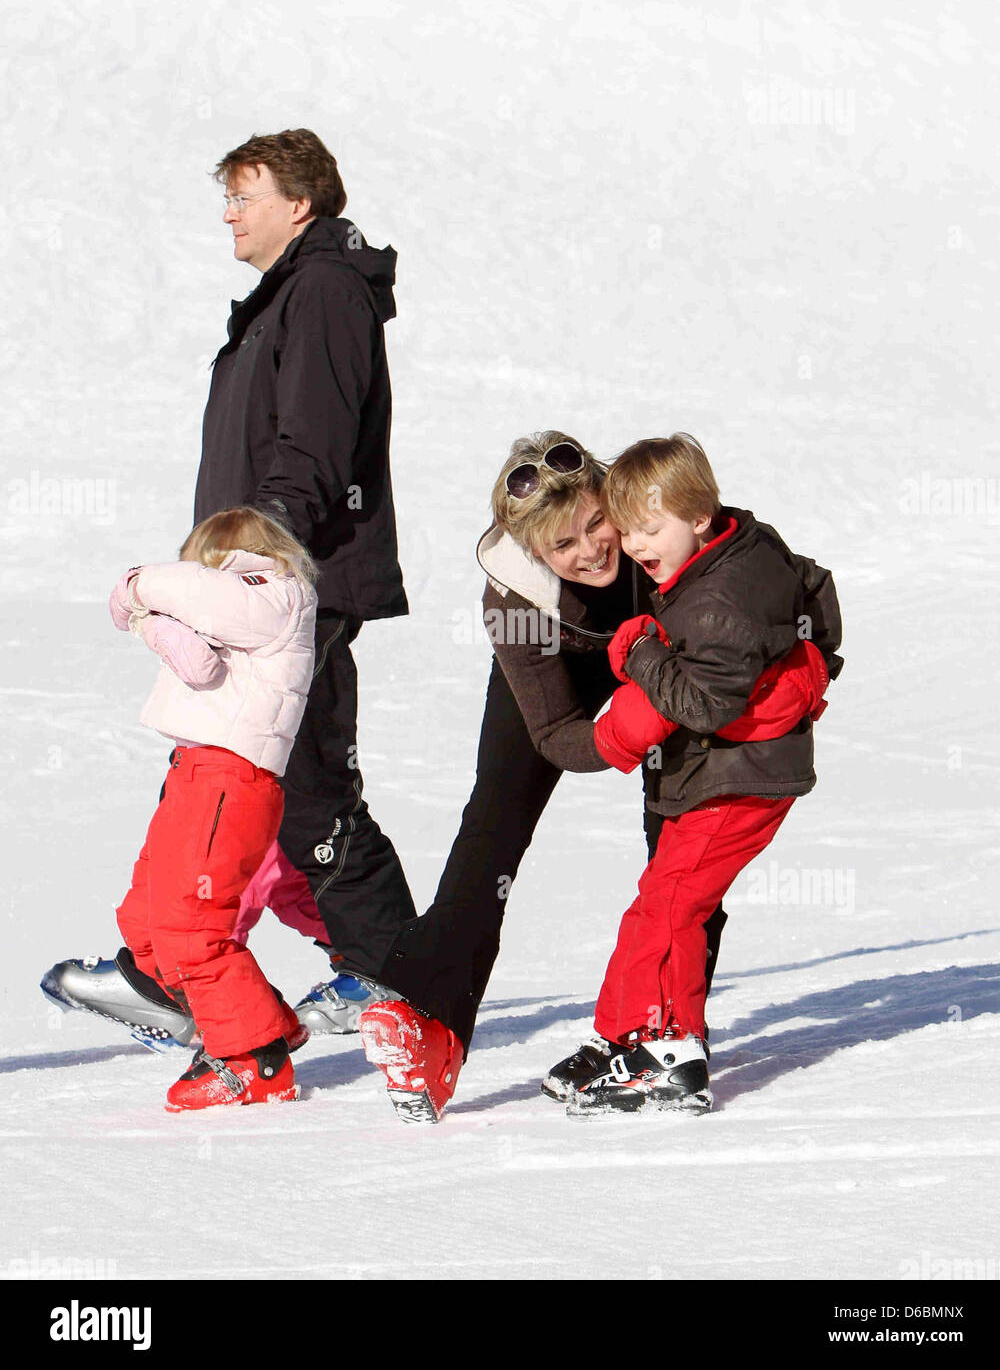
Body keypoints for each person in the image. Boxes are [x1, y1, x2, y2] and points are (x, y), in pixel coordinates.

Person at [43, 128, 413, 1038]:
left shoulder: (323, 290)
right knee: (230, 776)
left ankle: (401, 975)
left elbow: (312, 448)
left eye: (243, 196)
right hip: (265, 580)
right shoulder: (292, 293)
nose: (228, 214)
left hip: (292, 591)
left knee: (304, 786)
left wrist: (251, 568)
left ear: (299, 203)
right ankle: (167, 966)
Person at [355, 432, 820, 1123]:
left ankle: (660, 1031)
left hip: (667, 661)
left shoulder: (658, 528)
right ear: (536, 554)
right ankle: (430, 1020)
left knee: (683, 831)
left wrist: (804, 669)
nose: (594, 550)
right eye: (562, 547)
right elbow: (553, 738)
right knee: (496, 816)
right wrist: (624, 727)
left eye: (598, 524)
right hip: (573, 665)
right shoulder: (515, 601)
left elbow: (778, 583)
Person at [560, 434, 843, 1116]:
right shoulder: (747, 542)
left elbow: (703, 702)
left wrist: (641, 652)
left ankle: (666, 1048)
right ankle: (624, 1037)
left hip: (736, 782)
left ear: (696, 514)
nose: (633, 546)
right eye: (626, 531)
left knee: (671, 906)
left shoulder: (714, 604)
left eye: (648, 529)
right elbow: (816, 586)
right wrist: (812, 661)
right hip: (733, 773)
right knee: (660, 900)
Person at [97, 507, 315, 1110]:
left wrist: (138, 585)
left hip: (230, 777)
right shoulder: (234, 613)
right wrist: (148, 621)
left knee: (193, 925)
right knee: (146, 920)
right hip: (194, 774)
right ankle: (244, 1019)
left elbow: (201, 599)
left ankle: (253, 1059)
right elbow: (197, 664)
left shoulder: (276, 593)